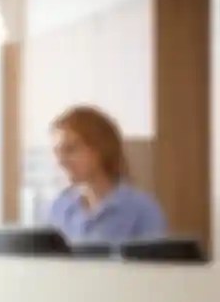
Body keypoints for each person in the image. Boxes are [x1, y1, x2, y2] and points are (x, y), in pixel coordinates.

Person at [48, 105, 166, 244]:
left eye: (71, 149)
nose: (61, 161)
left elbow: (156, 264)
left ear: (100, 149)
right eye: (57, 152)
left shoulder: (141, 209)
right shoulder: (59, 207)